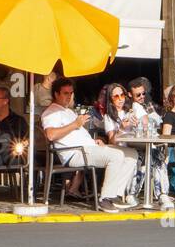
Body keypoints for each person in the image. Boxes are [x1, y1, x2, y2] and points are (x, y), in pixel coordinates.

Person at [42, 78, 137, 212]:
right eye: (65, 93)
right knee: (116, 155)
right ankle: (105, 198)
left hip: (88, 148)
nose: (69, 96)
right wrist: (75, 124)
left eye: (71, 93)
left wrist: (94, 141)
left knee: (132, 154)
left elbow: (76, 135)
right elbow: (51, 134)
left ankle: (116, 194)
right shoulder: (51, 112)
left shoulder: (68, 111)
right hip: (74, 154)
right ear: (56, 94)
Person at [122, 77, 173, 208]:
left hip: (146, 144)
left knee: (156, 157)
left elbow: (156, 123)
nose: (141, 96)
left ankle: (161, 195)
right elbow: (144, 124)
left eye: (143, 93)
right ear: (129, 94)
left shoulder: (146, 106)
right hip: (133, 145)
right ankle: (134, 194)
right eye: (138, 94)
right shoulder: (129, 108)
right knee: (143, 159)